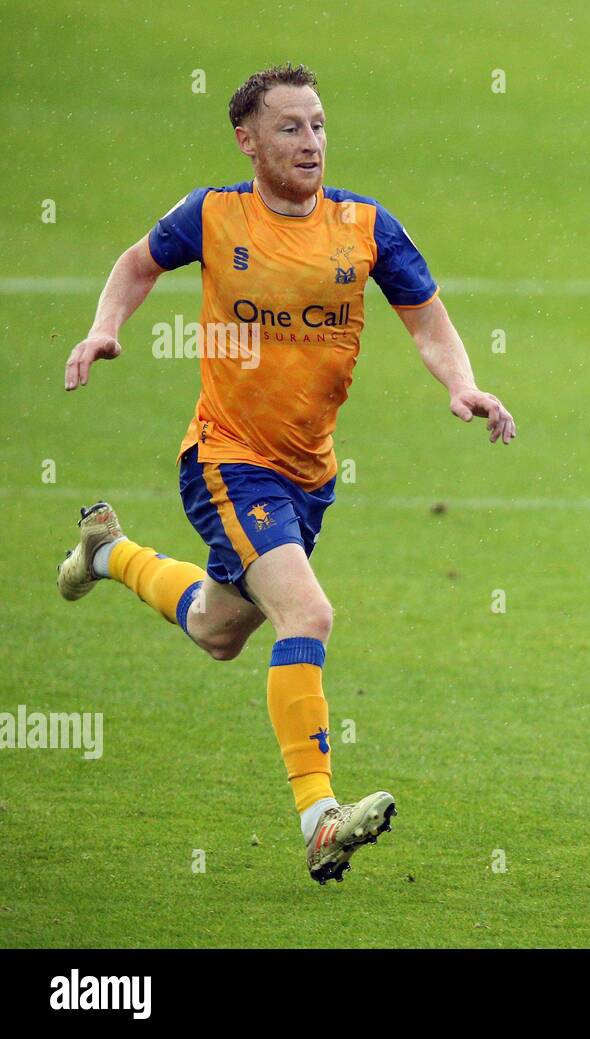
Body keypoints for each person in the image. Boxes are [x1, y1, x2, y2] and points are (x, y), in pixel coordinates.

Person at [58, 63, 516, 884]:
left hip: (311, 472)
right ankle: (318, 819)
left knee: (219, 629)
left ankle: (106, 552)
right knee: (306, 611)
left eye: (318, 125)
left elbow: (428, 318)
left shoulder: (366, 225)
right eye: (290, 128)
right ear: (248, 139)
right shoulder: (213, 213)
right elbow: (135, 265)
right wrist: (103, 328)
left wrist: (463, 383)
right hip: (227, 459)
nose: (311, 143)